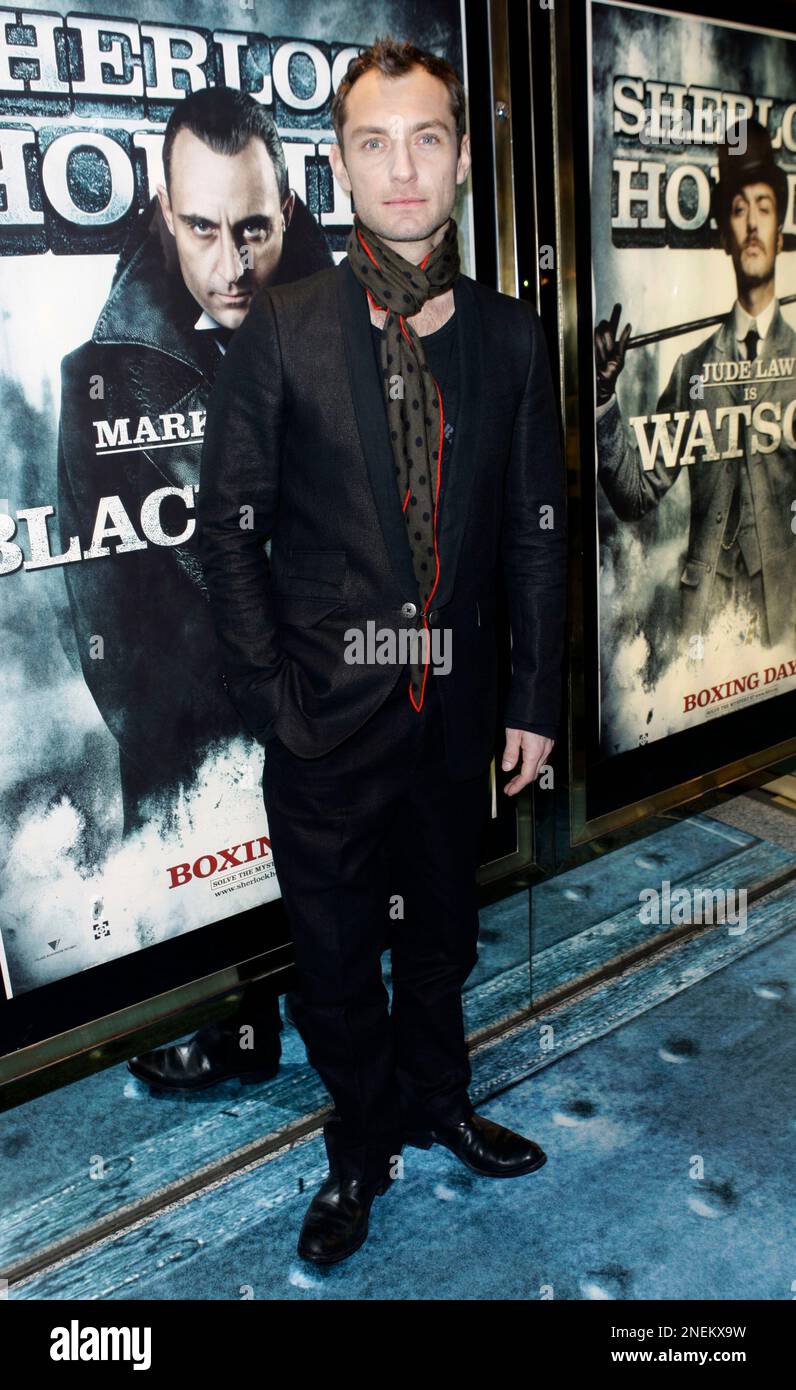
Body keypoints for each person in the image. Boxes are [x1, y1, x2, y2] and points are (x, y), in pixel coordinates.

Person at [197, 38, 567, 1264]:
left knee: (444, 936)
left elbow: (531, 530)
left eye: (425, 139)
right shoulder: (286, 325)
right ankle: (359, 1143)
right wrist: (273, 698)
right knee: (337, 959)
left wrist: (532, 697)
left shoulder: (511, 337)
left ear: (460, 160)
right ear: (341, 166)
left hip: (457, 718)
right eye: (374, 143)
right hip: (326, 718)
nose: (402, 168)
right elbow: (227, 528)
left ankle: (438, 1098)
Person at [56, 86, 332, 1090]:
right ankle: (220, 1001)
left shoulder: (343, 325)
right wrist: (191, 762)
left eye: (252, 229)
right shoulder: (100, 373)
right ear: (164, 214)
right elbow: (104, 613)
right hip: (197, 747)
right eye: (203, 229)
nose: (231, 264)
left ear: (285, 212)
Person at [595, 117, 796, 650]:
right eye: (738, 208)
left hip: (788, 626)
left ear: (780, 232)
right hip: (704, 635)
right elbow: (634, 496)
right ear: (725, 236)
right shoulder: (692, 369)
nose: (751, 224)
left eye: (764, 207)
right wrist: (604, 400)